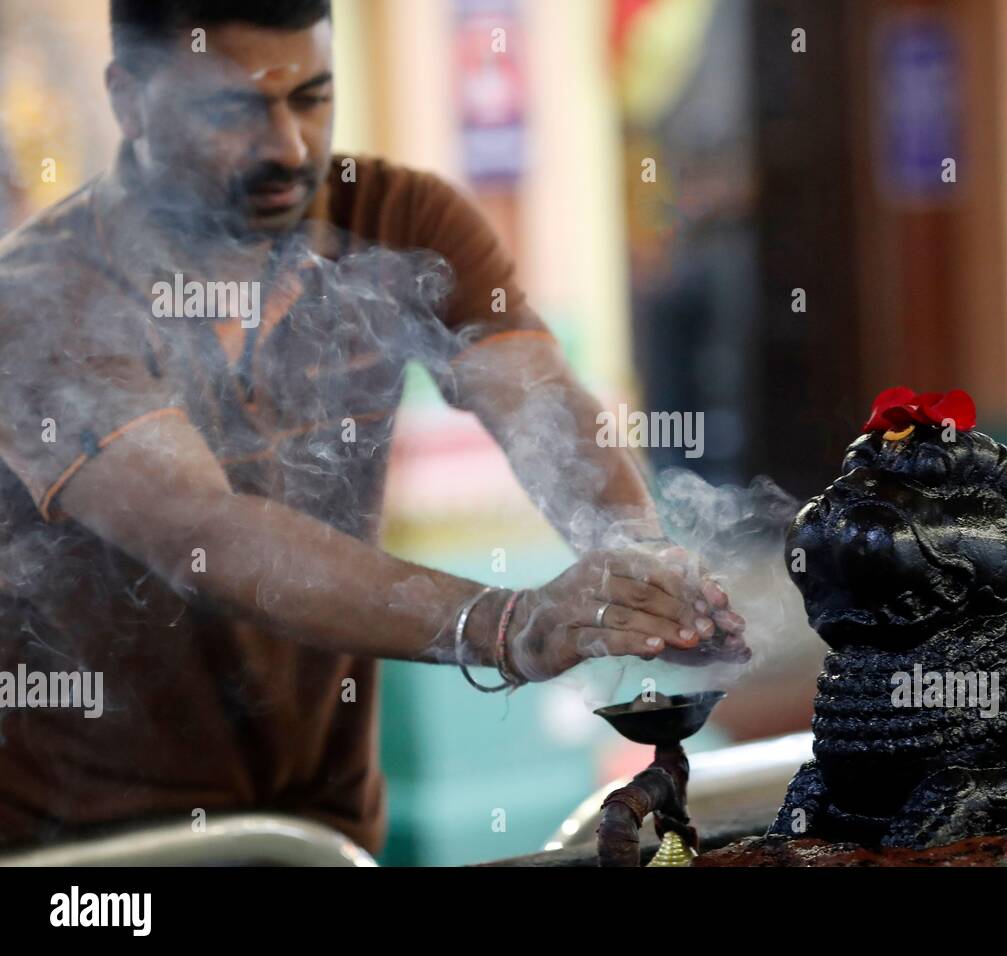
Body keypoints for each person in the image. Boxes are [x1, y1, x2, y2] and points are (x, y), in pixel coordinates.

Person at [0, 0, 747, 855]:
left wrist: (637, 566)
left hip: (321, 832)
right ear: (127, 99)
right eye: (232, 110)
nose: (286, 146)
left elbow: (537, 398)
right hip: (87, 849)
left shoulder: (398, 217)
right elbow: (199, 531)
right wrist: (504, 625)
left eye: (312, 98)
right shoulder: (43, 295)